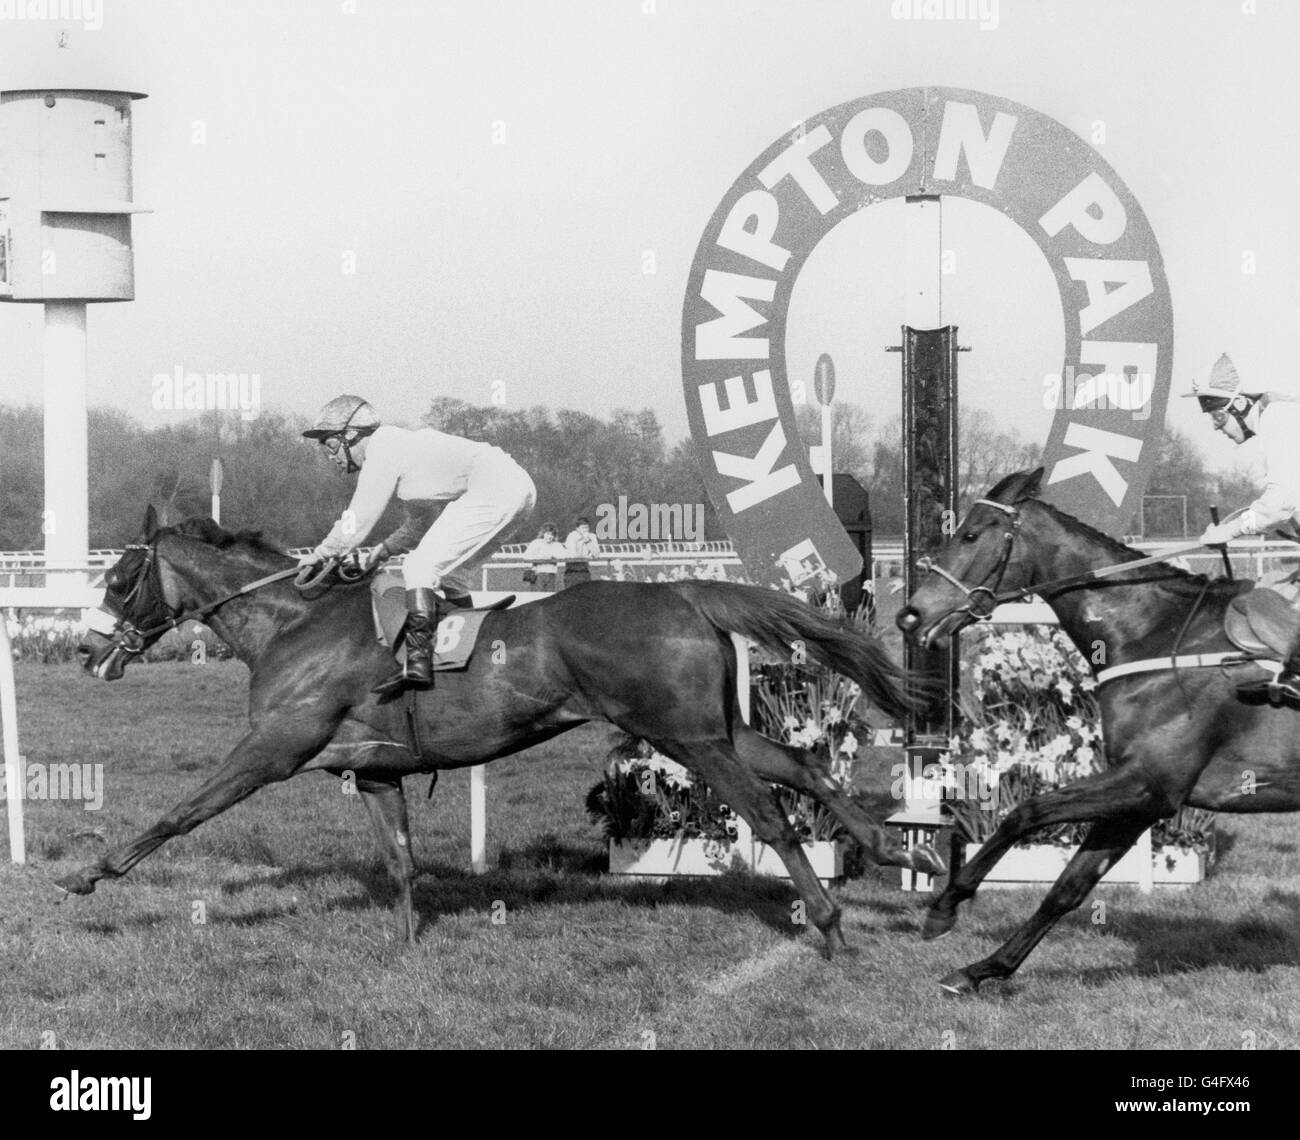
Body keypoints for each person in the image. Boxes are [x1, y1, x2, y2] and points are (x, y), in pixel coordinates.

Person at [300, 395, 536, 697]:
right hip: (516, 487)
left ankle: (418, 664)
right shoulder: (404, 454)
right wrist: (381, 552)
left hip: (496, 484)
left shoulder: (382, 448)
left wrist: (319, 556)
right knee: (451, 577)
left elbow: (356, 521)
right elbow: (420, 524)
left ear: (351, 435)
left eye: (331, 445)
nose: (330, 456)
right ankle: (462, 655)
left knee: (419, 568)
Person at [1187, 353, 1300, 703]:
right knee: (1270, 588)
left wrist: (1231, 530)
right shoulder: (1277, 419)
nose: (1217, 427)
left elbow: (1282, 499)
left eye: (1218, 416)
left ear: (1238, 404)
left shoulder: (1281, 419)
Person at [522, 523, 566, 592]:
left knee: (549, 596)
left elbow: (564, 555)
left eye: (552, 534)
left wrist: (553, 556)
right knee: (537, 596)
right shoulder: (536, 543)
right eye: (548, 534)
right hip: (538, 574)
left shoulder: (557, 545)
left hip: (551, 574)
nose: (550, 536)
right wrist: (541, 557)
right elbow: (526, 556)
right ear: (543, 533)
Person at [563, 516, 600, 588]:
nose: (585, 530)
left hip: (584, 571)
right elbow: (573, 555)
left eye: (587, 528)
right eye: (583, 528)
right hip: (571, 572)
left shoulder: (592, 536)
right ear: (577, 529)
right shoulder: (572, 536)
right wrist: (587, 556)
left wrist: (587, 541)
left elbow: (596, 555)